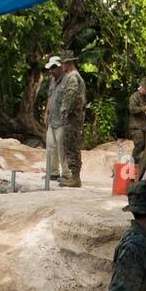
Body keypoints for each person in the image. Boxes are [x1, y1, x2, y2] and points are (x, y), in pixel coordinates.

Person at [58, 51, 86, 188]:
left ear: (68, 63)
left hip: (72, 118)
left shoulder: (73, 77)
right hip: (74, 117)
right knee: (71, 145)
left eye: (63, 63)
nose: (61, 66)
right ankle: (74, 176)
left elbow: (71, 95)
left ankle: (75, 177)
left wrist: (64, 110)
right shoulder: (73, 76)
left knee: (71, 145)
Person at [43, 54, 67, 181]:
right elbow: (50, 97)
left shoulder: (68, 80)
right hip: (52, 119)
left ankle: (66, 173)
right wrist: (46, 113)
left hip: (63, 120)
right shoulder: (52, 81)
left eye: (54, 68)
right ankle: (53, 172)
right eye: (50, 68)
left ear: (60, 67)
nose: (52, 71)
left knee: (62, 147)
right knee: (50, 146)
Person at [128, 76, 146, 168]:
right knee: (139, 144)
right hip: (136, 126)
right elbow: (132, 109)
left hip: (144, 126)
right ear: (142, 87)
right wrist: (144, 108)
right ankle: (132, 164)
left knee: (144, 147)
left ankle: (139, 166)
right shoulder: (135, 96)